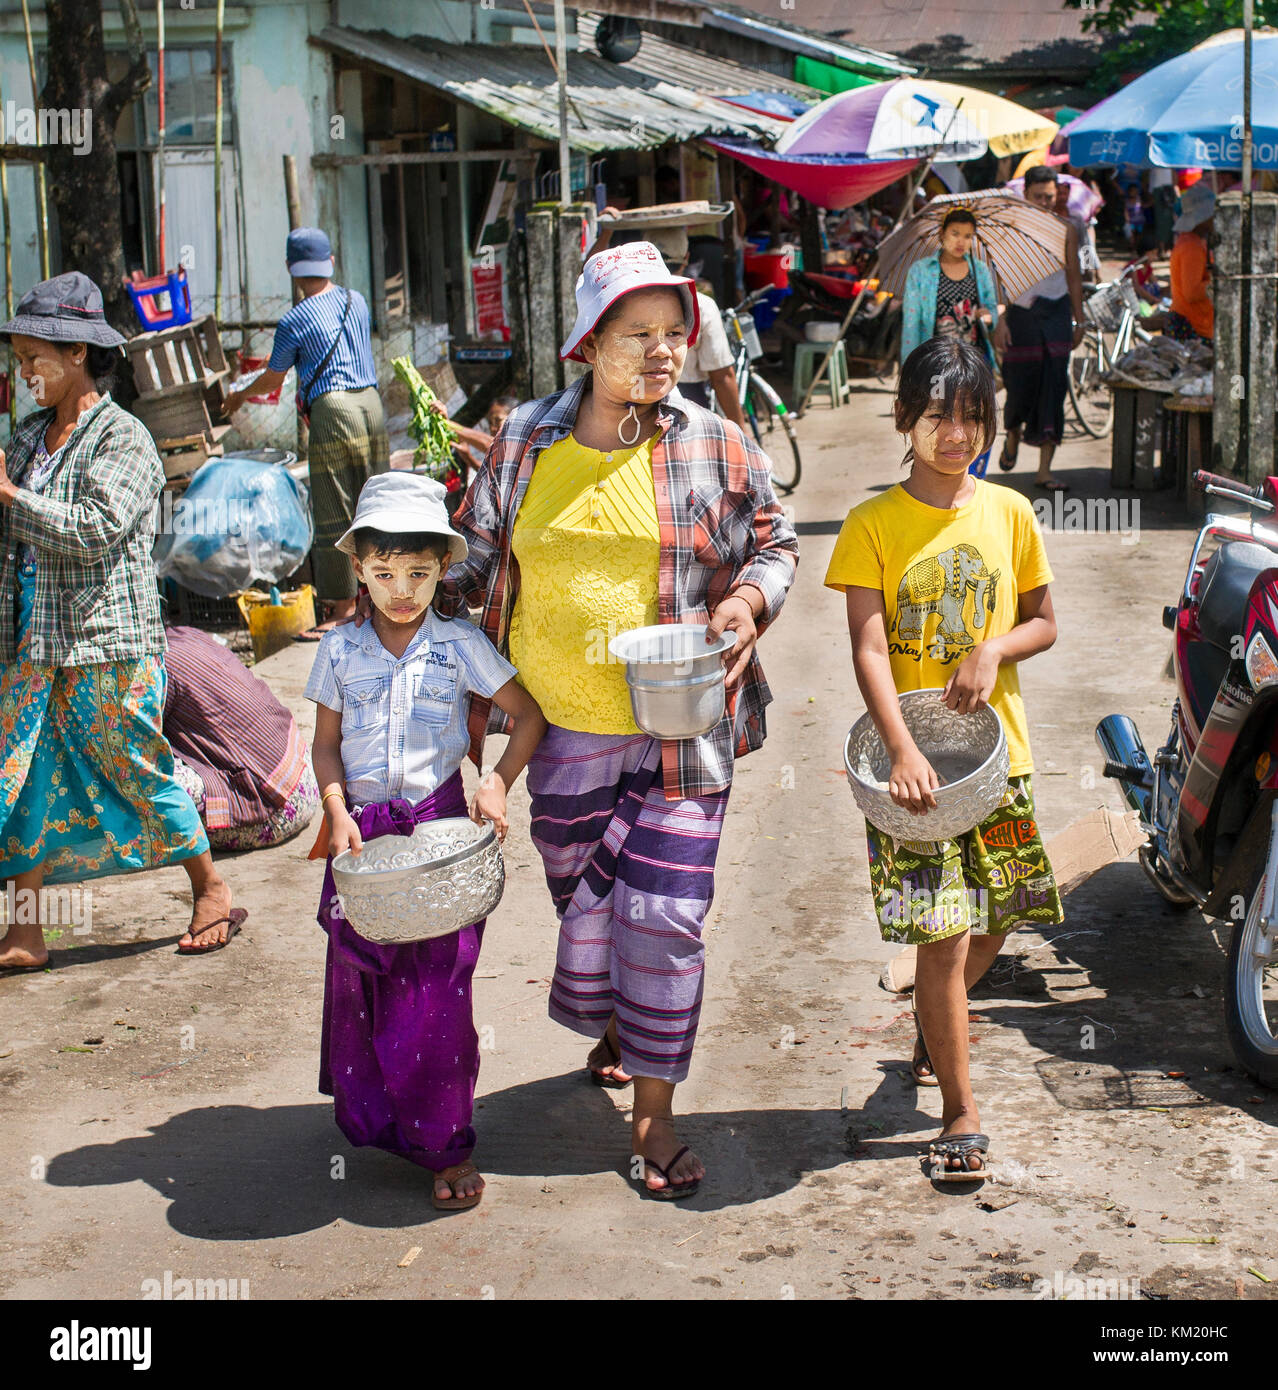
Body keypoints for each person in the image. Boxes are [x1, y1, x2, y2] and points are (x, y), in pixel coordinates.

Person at [438, 241, 799, 1199]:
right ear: (589, 343)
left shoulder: (716, 440)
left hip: (682, 730)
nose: (662, 351)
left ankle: (653, 1119)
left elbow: (776, 541)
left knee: (665, 916)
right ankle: (619, 1028)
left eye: (674, 333)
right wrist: (404, 593)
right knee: (584, 906)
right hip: (551, 739)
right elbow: (474, 557)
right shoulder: (526, 440)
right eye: (638, 334)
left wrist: (747, 606)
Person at [825, 336, 1063, 1180]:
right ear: (904, 420)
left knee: (1003, 916)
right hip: (913, 778)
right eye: (937, 416)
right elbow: (867, 648)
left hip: (1001, 763)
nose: (954, 433)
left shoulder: (1009, 512)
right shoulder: (871, 525)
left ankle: (935, 1026)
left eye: (971, 417)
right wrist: (898, 748)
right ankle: (958, 1112)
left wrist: (996, 648)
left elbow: (1044, 620)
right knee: (944, 936)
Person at [305, 473, 546, 1210]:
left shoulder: (460, 646)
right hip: (364, 837)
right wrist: (338, 809)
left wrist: (498, 781)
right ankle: (384, 1123)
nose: (401, 590)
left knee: (439, 994)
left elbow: (528, 716)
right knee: (368, 989)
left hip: (441, 835)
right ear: (360, 572)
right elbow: (324, 747)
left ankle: (444, 1142)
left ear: (443, 569)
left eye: (417, 573)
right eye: (383, 574)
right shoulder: (340, 651)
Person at [0, 272, 243, 967]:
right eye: (18, 362)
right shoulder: (25, 440)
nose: (24, 375)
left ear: (77, 353)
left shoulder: (124, 439)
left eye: (33, 359)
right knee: (23, 780)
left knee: (136, 767)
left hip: (107, 644)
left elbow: (95, 529)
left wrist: (11, 497)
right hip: (32, 644)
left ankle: (211, 887)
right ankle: (26, 930)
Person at [223, 227, 389, 636]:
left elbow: (272, 380)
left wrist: (238, 394)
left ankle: (342, 608)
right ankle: (387, 595)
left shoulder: (295, 320)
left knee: (336, 507)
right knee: (377, 501)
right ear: (330, 262)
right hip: (371, 403)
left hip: (333, 409)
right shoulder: (357, 300)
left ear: (290, 270)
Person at [163, 624, 320, 851]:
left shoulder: (152, 671)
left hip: (274, 810)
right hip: (302, 773)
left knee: (134, 770)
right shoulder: (187, 633)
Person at [993, 165, 1085, 492]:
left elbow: (1074, 277)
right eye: (1038, 197)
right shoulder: (1010, 231)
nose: (1045, 202)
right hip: (1021, 317)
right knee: (1019, 388)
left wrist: (1080, 318)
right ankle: (1013, 436)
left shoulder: (1066, 229)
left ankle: (1044, 471)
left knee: (1054, 389)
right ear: (1026, 195)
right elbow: (1000, 279)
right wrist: (1000, 320)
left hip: (1057, 314)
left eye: (1049, 197)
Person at [898, 207, 1000, 475]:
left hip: (975, 362)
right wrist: (909, 370)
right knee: (939, 424)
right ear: (942, 234)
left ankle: (975, 478)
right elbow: (911, 324)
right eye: (955, 233)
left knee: (979, 422)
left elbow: (992, 314)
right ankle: (939, 480)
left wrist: (987, 316)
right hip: (937, 366)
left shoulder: (979, 270)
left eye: (968, 236)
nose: (961, 241)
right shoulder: (921, 271)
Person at [678, 280, 748, 429]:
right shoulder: (700, 304)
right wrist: (740, 430)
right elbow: (721, 376)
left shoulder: (627, 298)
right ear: (686, 259)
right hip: (688, 404)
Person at [1167, 183, 1215, 344]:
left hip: (1194, 323)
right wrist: (1217, 283)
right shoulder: (1191, 247)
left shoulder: (1194, 243)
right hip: (1191, 325)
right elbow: (1192, 292)